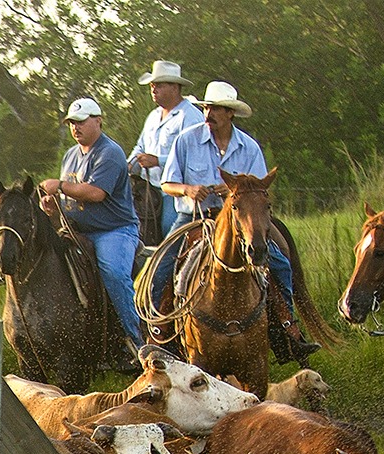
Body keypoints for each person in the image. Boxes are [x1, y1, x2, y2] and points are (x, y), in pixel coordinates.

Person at [157, 80, 320, 360]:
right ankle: (160, 333)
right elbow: (166, 183)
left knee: (280, 265)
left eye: (216, 109)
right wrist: (188, 189)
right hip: (194, 217)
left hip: (240, 222)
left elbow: (260, 189)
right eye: (207, 108)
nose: (209, 114)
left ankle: (287, 331)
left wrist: (235, 190)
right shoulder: (186, 140)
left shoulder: (249, 147)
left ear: (230, 113)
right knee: (161, 266)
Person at [40, 97, 144, 355]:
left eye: (81, 122)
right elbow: (69, 197)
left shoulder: (110, 152)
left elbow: (96, 193)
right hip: (76, 230)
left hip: (114, 230)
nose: (75, 128)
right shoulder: (70, 155)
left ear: (98, 121)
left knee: (114, 273)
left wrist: (59, 186)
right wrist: (54, 205)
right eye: (72, 123)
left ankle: (139, 342)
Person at [128, 61, 202, 241]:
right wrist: (129, 165)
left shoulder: (190, 116)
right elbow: (140, 146)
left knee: (170, 229)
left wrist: (158, 161)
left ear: (175, 87)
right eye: (152, 85)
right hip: (148, 188)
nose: (154, 89)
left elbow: (194, 157)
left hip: (175, 190)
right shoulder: (153, 116)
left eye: (159, 85)